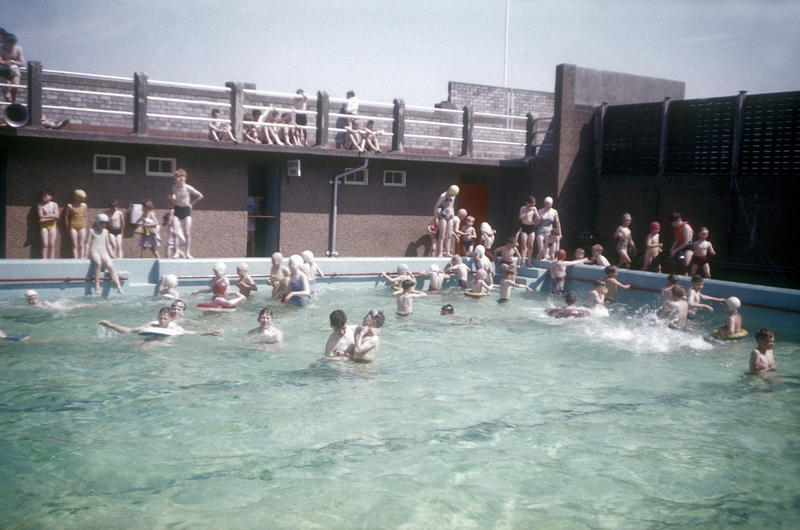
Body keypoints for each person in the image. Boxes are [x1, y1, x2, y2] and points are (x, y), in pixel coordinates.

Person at [100, 307, 221, 336]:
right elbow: (129, 330)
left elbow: (193, 333)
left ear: (171, 319)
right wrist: (110, 325)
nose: (162, 321)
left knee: (150, 346)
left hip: (163, 341)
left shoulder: (174, 328)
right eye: (160, 318)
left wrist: (210, 333)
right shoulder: (151, 325)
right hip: (149, 336)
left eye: (165, 319)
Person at [170, 168, 203, 259]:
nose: (180, 179)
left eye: (182, 177)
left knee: (187, 232)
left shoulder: (188, 187)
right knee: (176, 233)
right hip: (177, 209)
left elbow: (200, 195)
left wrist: (191, 204)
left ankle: (187, 253)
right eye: (178, 177)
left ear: (184, 178)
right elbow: (171, 195)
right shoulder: (174, 187)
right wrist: (173, 201)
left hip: (186, 210)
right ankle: (177, 252)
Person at [87, 213, 124, 295]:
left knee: (110, 266)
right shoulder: (92, 231)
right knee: (98, 263)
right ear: (97, 222)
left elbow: (108, 245)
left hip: (103, 251)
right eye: (102, 223)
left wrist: (113, 255)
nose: (104, 225)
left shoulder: (106, 231)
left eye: (105, 224)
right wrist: (85, 254)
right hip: (94, 251)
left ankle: (118, 286)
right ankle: (97, 285)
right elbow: (88, 244)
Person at [433, 185, 459, 257]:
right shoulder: (443, 196)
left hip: (450, 216)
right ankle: (440, 253)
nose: (452, 196)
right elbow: (436, 206)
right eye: (451, 194)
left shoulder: (454, 195)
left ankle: (447, 252)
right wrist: (436, 217)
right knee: (442, 235)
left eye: (453, 195)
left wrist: (453, 217)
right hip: (443, 216)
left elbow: (452, 206)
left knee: (449, 235)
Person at [0, 32, 24, 102]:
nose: (9, 46)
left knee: (14, 90)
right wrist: (5, 62)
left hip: (14, 72)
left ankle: (12, 109)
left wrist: (14, 62)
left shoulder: (18, 49)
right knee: (7, 96)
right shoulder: (1, 49)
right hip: (3, 72)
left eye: (11, 44)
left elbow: (23, 63)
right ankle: (9, 109)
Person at [66, 189, 89, 259]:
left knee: (81, 244)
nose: (83, 200)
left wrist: (85, 225)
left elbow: (85, 215)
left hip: (82, 226)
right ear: (77, 197)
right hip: (73, 226)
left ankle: (81, 258)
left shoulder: (84, 205)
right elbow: (66, 216)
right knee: (75, 244)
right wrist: (67, 226)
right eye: (82, 198)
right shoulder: (70, 205)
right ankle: (76, 258)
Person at [518, 196, 541, 266]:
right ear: (527, 203)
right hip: (524, 227)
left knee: (531, 245)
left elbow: (539, 218)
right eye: (530, 205)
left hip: (531, 227)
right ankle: (523, 261)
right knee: (524, 245)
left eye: (533, 205)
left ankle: (529, 261)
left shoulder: (534, 209)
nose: (532, 206)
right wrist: (527, 211)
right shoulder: (523, 208)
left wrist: (535, 211)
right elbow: (520, 217)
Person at [37, 189, 59, 259]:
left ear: (51, 197)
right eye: (43, 196)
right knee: (45, 244)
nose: (43, 198)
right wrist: (52, 216)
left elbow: (57, 216)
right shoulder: (40, 205)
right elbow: (40, 217)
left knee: (52, 244)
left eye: (45, 196)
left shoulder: (55, 204)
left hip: (52, 226)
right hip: (44, 226)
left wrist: (45, 218)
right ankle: (44, 259)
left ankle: (51, 259)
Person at [246, 192, 263, 257]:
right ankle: (245, 253)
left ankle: (253, 255)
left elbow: (256, 211)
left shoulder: (257, 203)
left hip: (252, 220)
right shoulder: (248, 199)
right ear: (256, 196)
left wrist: (259, 215)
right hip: (246, 220)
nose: (259, 200)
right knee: (247, 238)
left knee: (253, 239)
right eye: (259, 198)